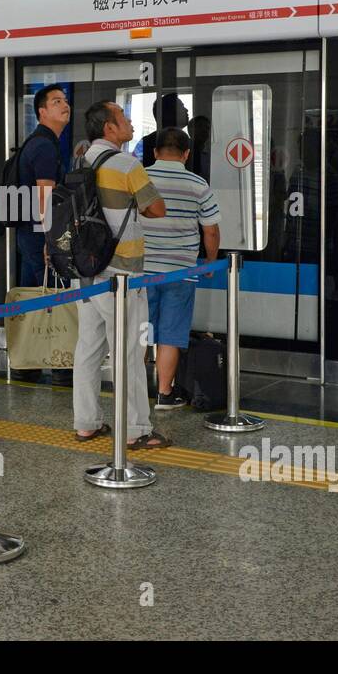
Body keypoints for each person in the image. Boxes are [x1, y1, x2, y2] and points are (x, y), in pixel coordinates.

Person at [72, 101, 172, 449]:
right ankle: (134, 429)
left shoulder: (79, 161)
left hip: (85, 274)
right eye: (123, 118)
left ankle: (86, 422)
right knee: (129, 351)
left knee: (88, 349)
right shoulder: (128, 164)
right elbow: (156, 208)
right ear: (109, 129)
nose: (130, 123)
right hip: (122, 276)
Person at [140, 127, 221, 409]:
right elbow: (210, 230)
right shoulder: (198, 184)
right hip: (181, 272)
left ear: (154, 152)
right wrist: (209, 261)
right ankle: (165, 394)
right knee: (171, 335)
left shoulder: (141, 179)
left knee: (140, 331)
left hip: (141, 272)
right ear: (186, 154)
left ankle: (134, 392)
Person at [15, 85, 70, 288]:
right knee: (54, 297)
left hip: (31, 232)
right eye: (57, 102)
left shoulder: (40, 141)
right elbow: (44, 195)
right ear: (42, 112)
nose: (65, 105)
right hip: (40, 233)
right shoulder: (44, 146)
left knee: (32, 295)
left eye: (65, 100)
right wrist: (51, 239)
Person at [136, 93, 189, 168]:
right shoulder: (146, 143)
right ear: (170, 113)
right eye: (182, 107)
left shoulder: (145, 142)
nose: (186, 110)